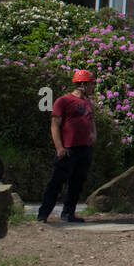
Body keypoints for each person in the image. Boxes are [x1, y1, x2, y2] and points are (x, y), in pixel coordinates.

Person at [38, 69, 98, 223]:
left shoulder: (87, 102)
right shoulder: (63, 101)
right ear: (83, 84)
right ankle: (43, 214)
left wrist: (93, 133)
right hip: (68, 148)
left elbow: (91, 120)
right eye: (91, 84)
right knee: (56, 182)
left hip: (85, 148)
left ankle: (68, 213)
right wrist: (59, 147)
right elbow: (55, 125)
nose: (93, 87)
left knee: (77, 183)